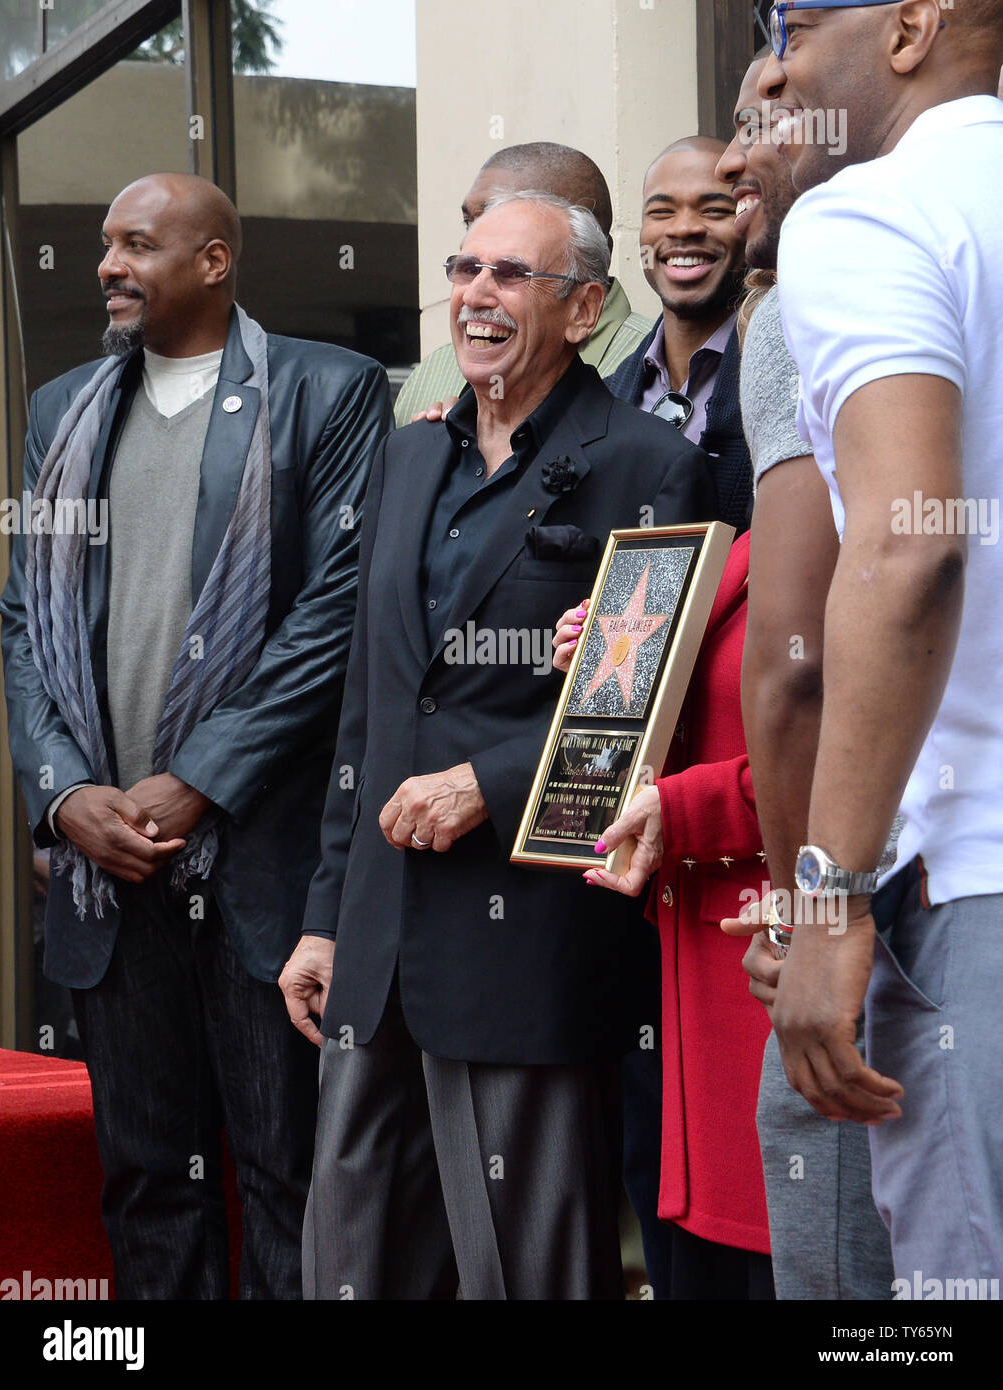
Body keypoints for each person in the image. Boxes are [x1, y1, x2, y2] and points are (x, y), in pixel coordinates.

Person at [279, 190, 715, 1300]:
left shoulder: (646, 462)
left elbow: (638, 713)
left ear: (582, 310)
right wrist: (326, 918)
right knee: (353, 1267)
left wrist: (491, 779)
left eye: (509, 275)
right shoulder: (405, 459)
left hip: (524, 940)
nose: (475, 295)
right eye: (464, 268)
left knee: (526, 1274)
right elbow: (369, 712)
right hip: (373, 949)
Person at [0, 172, 392, 1299]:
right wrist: (65, 793)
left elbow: (337, 608)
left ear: (213, 261)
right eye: (104, 246)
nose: (108, 267)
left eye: (135, 244)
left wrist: (200, 781)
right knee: (144, 1176)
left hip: (259, 857)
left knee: (284, 1172)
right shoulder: (61, 409)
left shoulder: (329, 389)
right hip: (105, 866)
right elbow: (27, 614)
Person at [754, 0, 1003, 1292]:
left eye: (791, 21)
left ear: (910, 26)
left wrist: (826, 895)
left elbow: (906, 549)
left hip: (970, 882)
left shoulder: (865, 212)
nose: (778, 65)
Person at [715, 50, 893, 1300]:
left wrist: (800, 906)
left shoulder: (810, 299)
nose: (734, 158)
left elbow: (792, 665)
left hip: (900, 900)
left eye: (769, 110)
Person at [552, 528, 774, 1300]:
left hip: (773, 956)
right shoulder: (742, 545)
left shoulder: (868, 534)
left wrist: (690, 807)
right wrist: (604, 671)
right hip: (690, 966)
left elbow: (846, 760)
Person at [392, 142, 654, 426]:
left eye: (513, 269)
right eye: (470, 222)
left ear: (589, 245)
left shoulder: (658, 366)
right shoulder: (433, 371)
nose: (478, 240)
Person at [604, 137, 752, 533]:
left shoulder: (788, 379)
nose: (685, 228)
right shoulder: (605, 396)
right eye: (662, 212)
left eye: (715, 210)